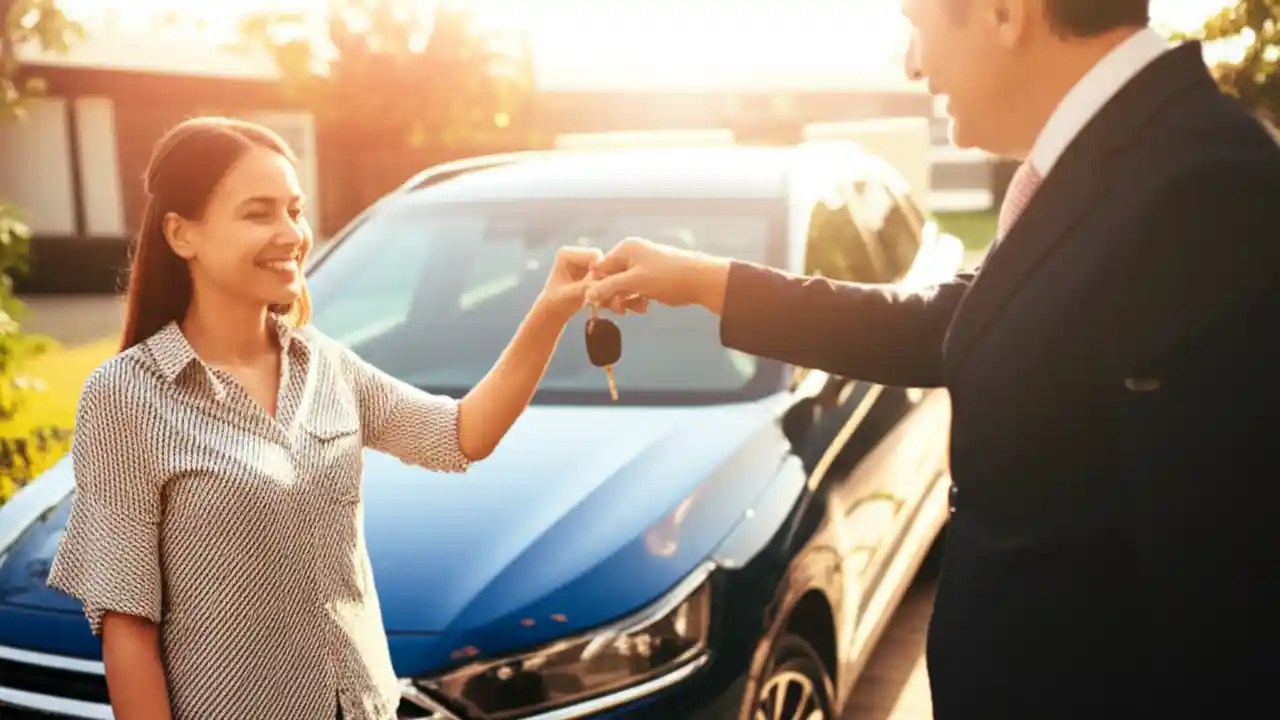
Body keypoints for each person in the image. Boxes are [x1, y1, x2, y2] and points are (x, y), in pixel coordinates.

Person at [587, 1, 1280, 717]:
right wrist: (705, 284)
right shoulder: (1114, 164)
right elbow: (954, 324)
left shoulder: (1210, 191)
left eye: (916, 23)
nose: (911, 62)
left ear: (1005, 14)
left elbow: (1227, 615)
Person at [45, 116, 601, 720]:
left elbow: (461, 435)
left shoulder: (325, 365)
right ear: (183, 235)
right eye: (259, 213)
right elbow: (127, 625)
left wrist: (550, 311)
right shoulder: (128, 395)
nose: (291, 234)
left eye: (295, 210)